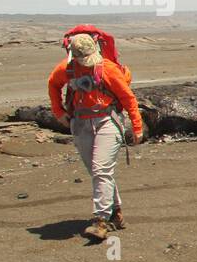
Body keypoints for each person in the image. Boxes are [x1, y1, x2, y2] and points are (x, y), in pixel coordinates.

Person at [46, 32, 144, 241]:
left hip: (107, 121)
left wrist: (137, 126)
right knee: (99, 172)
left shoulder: (107, 68)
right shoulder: (67, 68)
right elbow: (53, 84)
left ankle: (101, 221)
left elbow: (128, 98)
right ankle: (116, 213)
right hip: (81, 123)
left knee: (101, 170)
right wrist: (59, 112)